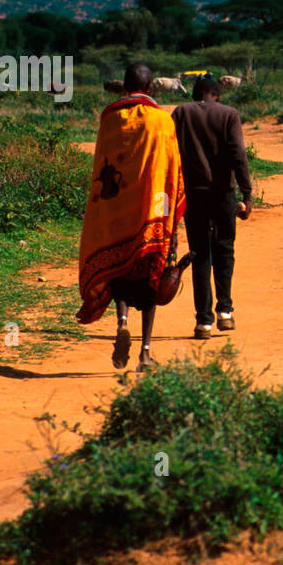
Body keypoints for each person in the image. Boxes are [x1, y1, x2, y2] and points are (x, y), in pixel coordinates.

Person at [77, 63, 186, 369]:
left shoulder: (109, 119)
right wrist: (170, 218)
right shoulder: (162, 121)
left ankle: (122, 322)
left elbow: (102, 165)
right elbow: (171, 172)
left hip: (115, 214)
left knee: (120, 274)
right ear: (151, 87)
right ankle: (145, 352)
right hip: (152, 213)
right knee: (151, 280)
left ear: (124, 86)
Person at [171, 76, 252, 339]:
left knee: (199, 255)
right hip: (223, 194)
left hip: (193, 195)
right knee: (225, 249)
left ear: (195, 95)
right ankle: (225, 311)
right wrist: (247, 193)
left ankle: (203, 321)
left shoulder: (181, 113)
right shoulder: (229, 114)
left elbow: (170, 153)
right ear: (216, 95)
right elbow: (238, 154)